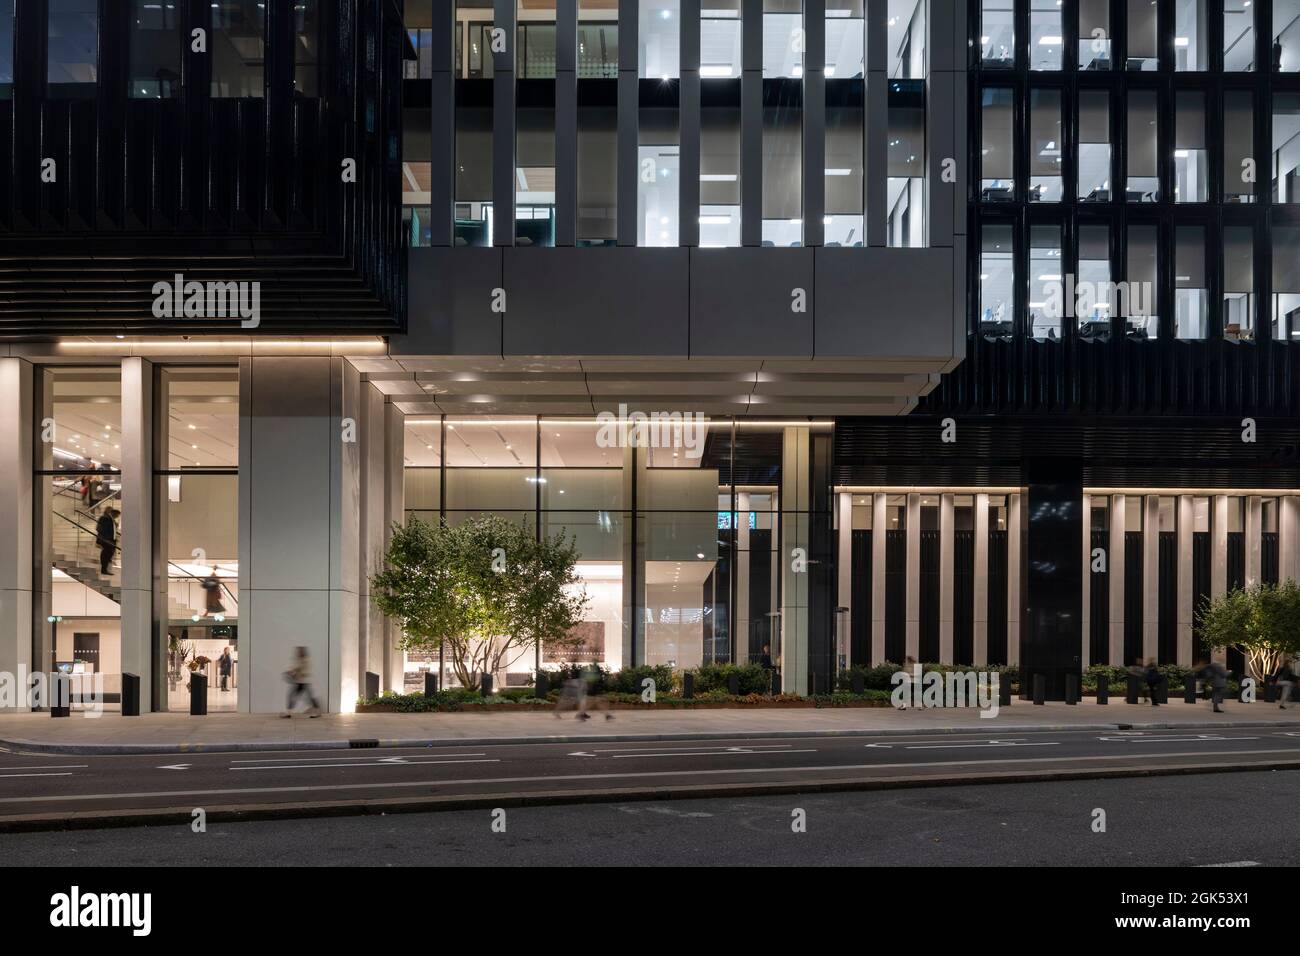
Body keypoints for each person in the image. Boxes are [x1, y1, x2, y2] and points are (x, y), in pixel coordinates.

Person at [282, 646, 322, 717]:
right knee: (306, 697)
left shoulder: (305, 660)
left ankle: (288, 713)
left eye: (299, 651)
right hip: (301, 682)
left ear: (302, 652)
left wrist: (292, 672)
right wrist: (292, 672)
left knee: (293, 696)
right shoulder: (301, 660)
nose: (297, 653)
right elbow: (297, 669)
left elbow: (301, 670)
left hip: (303, 682)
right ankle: (318, 711)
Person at [95, 508, 119, 575]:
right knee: (106, 554)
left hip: (110, 539)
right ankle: (104, 569)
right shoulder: (104, 518)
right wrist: (107, 539)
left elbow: (111, 529)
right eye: (117, 515)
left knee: (109, 553)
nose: (117, 516)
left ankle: (105, 568)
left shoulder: (111, 519)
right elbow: (101, 529)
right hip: (106, 540)